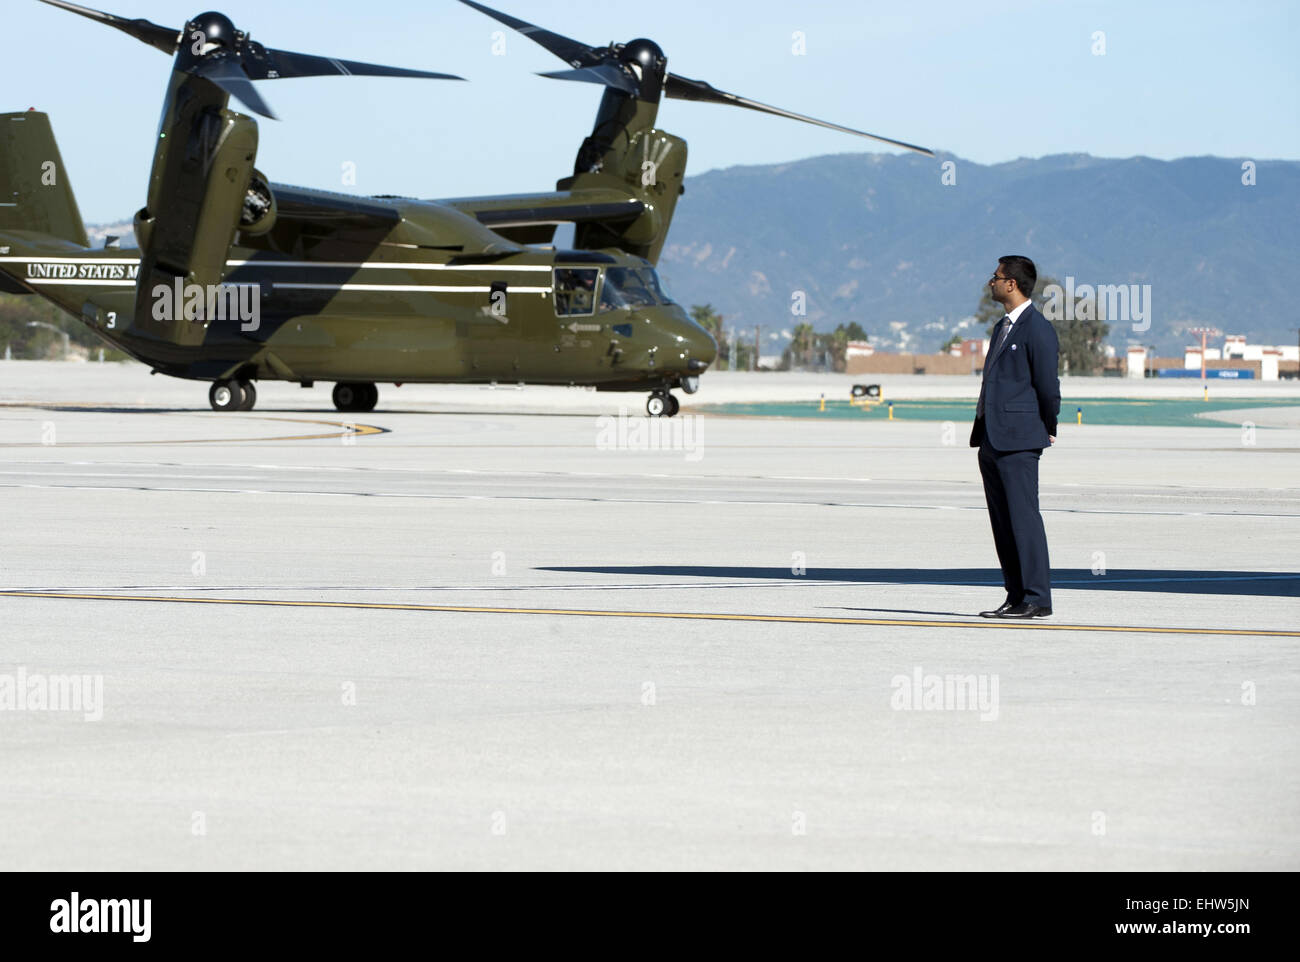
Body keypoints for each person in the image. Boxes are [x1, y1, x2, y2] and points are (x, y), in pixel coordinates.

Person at [969, 255, 1060, 619]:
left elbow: (1047, 386)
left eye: (996, 277)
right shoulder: (1001, 327)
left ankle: (1037, 597)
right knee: (1003, 523)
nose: (991, 282)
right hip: (992, 439)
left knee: (1023, 519)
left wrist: (1048, 426)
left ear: (1012, 284)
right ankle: (1015, 594)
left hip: (1020, 440)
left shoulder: (1037, 329)